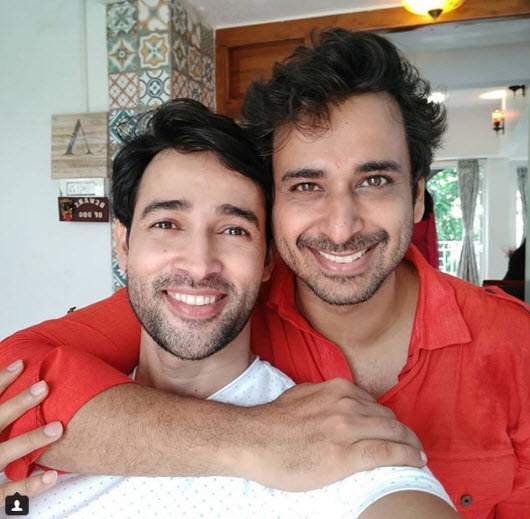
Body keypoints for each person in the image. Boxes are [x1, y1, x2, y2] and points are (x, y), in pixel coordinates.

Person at [0, 30, 529, 518]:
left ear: (416, 197)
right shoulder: (219, 301)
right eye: (306, 186)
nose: (341, 226)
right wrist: (254, 438)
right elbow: (13, 375)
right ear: (274, 213)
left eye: (374, 181)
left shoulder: (515, 344)